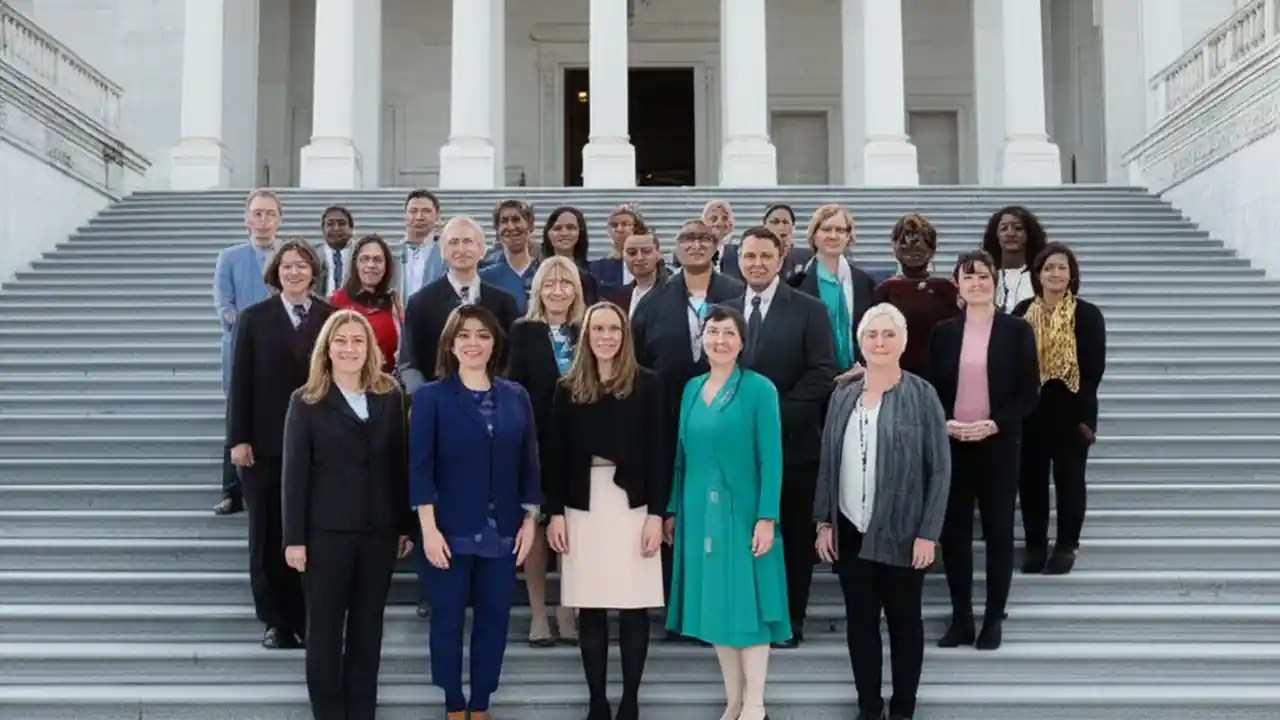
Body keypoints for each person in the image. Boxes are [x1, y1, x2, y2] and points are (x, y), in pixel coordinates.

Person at [813, 303, 951, 720]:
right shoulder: (842, 395)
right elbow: (828, 460)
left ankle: (904, 708)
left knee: (905, 622)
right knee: (860, 623)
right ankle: (868, 707)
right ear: (861, 342)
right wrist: (823, 521)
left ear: (903, 342)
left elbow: (940, 468)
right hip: (850, 527)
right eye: (872, 335)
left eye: (889, 334)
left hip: (904, 530)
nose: (880, 342)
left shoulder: (922, 394)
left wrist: (929, 533)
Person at [410, 304, 541, 720]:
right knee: (447, 621)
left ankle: (481, 703)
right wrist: (428, 529)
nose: (473, 343)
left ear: (494, 343)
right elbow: (420, 467)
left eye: (483, 335)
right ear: (450, 343)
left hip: (502, 532)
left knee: (494, 620)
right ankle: (453, 703)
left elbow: (529, 463)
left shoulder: (516, 396)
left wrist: (530, 520)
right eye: (464, 335)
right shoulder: (430, 397)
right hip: (447, 532)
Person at [281, 310, 414, 720]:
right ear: (327, 348)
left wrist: (405, 526)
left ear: (370, 348)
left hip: (378, 533)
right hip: (325, 535)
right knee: (323, 633)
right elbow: (294, 474)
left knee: (367, 631)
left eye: (358, 340)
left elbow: (400, 463)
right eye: (341, 340)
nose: (350, 348)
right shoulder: (306, 401)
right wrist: (294, 538)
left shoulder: (390, 395)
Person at [665, 305, 789, 720]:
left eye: (728, 333)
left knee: (749, 605)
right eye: (712, 331)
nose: (719, 340)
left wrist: (767, 517)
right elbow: (680, 456)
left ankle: (755, 702)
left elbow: (771, 458)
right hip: (699, 509)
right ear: (701, 339)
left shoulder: (759, 389)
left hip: (745, 510)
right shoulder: (691, 388)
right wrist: (671, 508)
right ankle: (734, 699)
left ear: (742, 341)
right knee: (716, 604)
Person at [545, 301, 667, 720]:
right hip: (582, 505)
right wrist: (555, 512)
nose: (606, 336)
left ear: (625, 334)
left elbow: (660, 452)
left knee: (634, 606)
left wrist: (656, 513)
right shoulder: (567, 387)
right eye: (598, 328)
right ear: (586, 335)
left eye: (614, 328)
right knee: (591, 606)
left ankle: (630, 701)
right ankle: (597, 701)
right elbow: (554, 455)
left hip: (633, 505)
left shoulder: (648, 384)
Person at [725, 226, 837, 648]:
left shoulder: (810, 310)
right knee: (743, 537)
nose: (756, 263)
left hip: (793, 445)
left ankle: (790, 619)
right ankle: (746, 615)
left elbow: (822, 371)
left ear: (781, 259)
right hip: (736, 452)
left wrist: (769, 416)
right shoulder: (724, 309)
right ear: (739, 261)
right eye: (749, 256)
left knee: (789, 537)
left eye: (764, 256)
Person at [927, 250, 1040, 651]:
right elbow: (933, 388)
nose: (976, 283)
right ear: (957, 285)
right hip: (953, 442)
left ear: (995, 281)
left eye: (983, 277)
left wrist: (995, 423)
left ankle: (994, 618)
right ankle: (962, 619)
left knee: (998, 532)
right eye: (968, 277)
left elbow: (1029, 392)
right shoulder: (943, 332)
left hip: (998, 444)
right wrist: (945, 422)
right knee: (954, 534)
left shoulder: (1017, 330)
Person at [227, 238, 336, 650]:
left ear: (313, 270)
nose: (294, 272)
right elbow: (240, 381)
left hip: (320, 446)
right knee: (268, 534)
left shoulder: (330, 316)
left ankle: (311, 618)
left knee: (314, 533)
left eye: (302, 265)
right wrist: (238, 438)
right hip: (265, 444)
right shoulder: (254, 318)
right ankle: (276, 620)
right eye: (287, 265)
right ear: (276, 272)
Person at [505, 257, 587, 647]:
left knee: (573, 527)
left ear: (575, 289)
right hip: (534, 441)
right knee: (536, 527)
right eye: (549, 283)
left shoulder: (587, 329)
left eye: (565, 283)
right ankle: (539, 612)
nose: (557, 290)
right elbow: (514, 386)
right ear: (538, 289)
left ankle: (568, 609)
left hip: (580, 446)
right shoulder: (523, 332)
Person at [1012, 243, 1107, 575]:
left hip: (1072, 412)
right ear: (1038, 275)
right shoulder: (1022, 311)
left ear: (1072, 274)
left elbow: (1094, 368)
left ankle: (1067, 546)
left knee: (1070, 482)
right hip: (1031, 412)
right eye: (1048, 267)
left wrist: (1085, 418)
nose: (1055, 273)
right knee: (1031, 483)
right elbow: (1011, 363)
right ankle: (1035, 547)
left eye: (1061, 268)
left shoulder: (1088, 314)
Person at [211, 189, 282, 516]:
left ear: (279, 218)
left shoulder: (291, 257)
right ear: (247, 218)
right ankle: (231, 489)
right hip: (240, 349)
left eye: (270, 213)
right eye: (258, 213)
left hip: (282, 352)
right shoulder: (229, 257)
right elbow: (224, 306)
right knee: (237, 415)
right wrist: (251, 330)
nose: (263, 219)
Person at [397, 216, 521, 393]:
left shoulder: (505, 302)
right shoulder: (420, 303)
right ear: (442, 251)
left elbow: (514, 358)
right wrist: (424, 396)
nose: (461, 249)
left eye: (468, 241)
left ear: (481, 249)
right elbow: (409, 362)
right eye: (453, 242)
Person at [791, 204, 876, 385]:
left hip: (859, 379)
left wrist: (864, 365)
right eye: (826, 229)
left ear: (848, 236)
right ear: (814, 235)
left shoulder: (864, 282)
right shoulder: (797, 284)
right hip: (814, 383)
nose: (833, 235)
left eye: (840, 230)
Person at [874, 213, 961, 377]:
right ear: (895, 247)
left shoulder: (947, 290)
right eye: (904, 243)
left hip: (942, 375)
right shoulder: (885, 290)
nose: (912, 249)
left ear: (932, 249)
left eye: (920, 244)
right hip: (896, 375)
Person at [329, 234, 401, 375]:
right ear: (355, 264)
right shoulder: (336, 301)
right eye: (364, 259)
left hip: (385, 385)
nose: (371, 265)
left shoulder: (394, 302)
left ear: (386, 266)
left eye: (377, 260)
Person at [982, 205, 1047, 313]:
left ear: (1028, 234)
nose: (1011, 234)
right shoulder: (986, 277)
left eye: (1018, 228)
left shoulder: (1040, 277)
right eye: (1003, 229)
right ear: (996, 235)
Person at [479, 199, 540, 313]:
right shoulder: (484, 277)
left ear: (530, 226)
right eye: (504, 221)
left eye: (516, 220)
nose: (511, 227)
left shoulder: (543, 272)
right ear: (497, 230)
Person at [538, 205, 602, 304]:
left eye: (570, 228)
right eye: (558, 228)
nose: (564, 233)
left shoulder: (592, 274)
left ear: (580, 233)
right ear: (548, 234)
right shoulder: (535, 271)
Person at [607, 229, 667, 318]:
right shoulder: (617, 298)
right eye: (632, 253)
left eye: (646, 251)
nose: (639, 258)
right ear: (623, 256)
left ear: (658, 255)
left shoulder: (673, 292)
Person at [398, 189, 444, 299]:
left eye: (426, 211)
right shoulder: (393, 254)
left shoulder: (445, 255)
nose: (419, 217)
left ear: (437, 215)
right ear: (405, 215)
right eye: (413, 211)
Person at [588, 204, 642, 294]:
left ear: (636, 228)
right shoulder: (598, 268)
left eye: (625, 224)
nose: (619, 229)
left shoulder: (646, 264)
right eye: (614, 225)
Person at [762, 203, 812, 283]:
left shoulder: (807, 259)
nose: (781, 226)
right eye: (775, 222)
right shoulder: (755, 258)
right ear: (764, 226)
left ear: (793, 227)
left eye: (785, 222)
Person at [317, 205, 355, 297]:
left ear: (351, 229)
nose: (336, 228)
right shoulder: (312, 256)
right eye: (330, 224)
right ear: (323, 228)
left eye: (341, 224)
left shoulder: (361, 255)